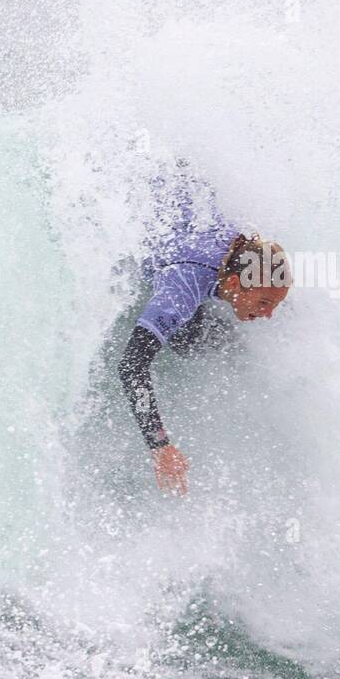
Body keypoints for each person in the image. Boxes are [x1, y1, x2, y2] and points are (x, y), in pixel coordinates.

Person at [118, 172, 291, 494]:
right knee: (189, 341)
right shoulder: (180, 291)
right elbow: (131, 367)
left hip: (172, 188)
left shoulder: (246, 249)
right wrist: (160, 446)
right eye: (265, 302)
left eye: (275, 304)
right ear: (237, 284)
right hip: (146, 219)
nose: (268, 314)